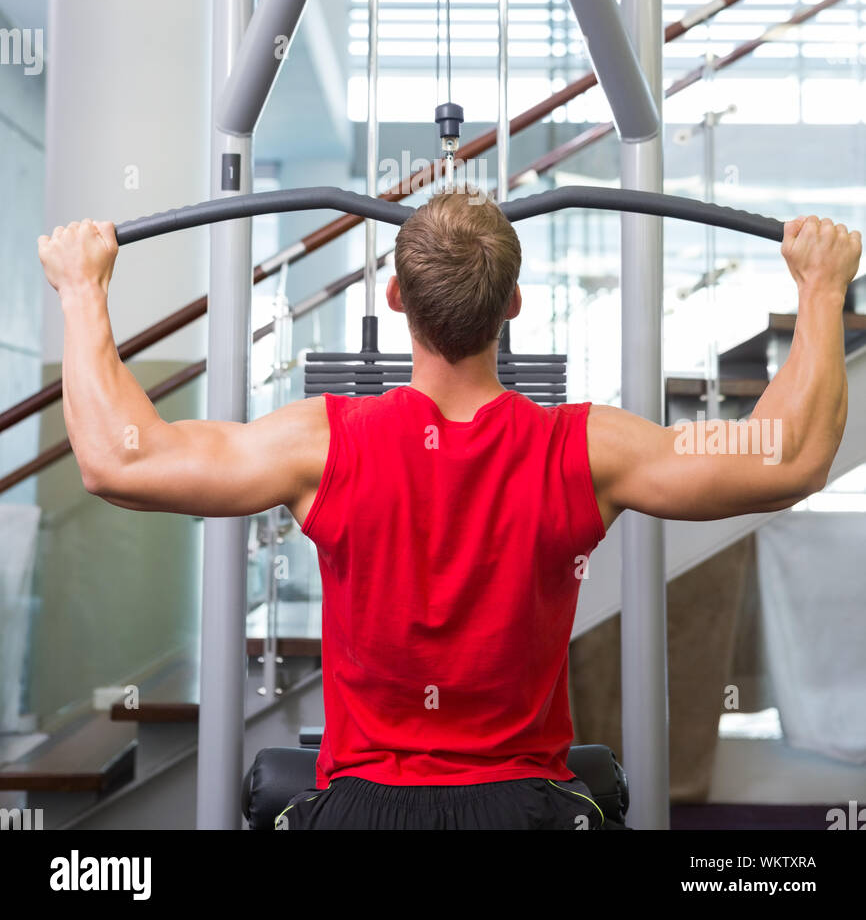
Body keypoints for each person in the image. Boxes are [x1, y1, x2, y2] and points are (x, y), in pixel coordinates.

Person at [37, 189, 860, 831]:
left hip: (365, 810)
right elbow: (786, 457)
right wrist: (821, 290)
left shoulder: (319, 445)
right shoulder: (587, 449)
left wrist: (83, 291)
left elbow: (116, 460)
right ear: (513, 307)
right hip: (524, 808)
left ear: (396, 299)